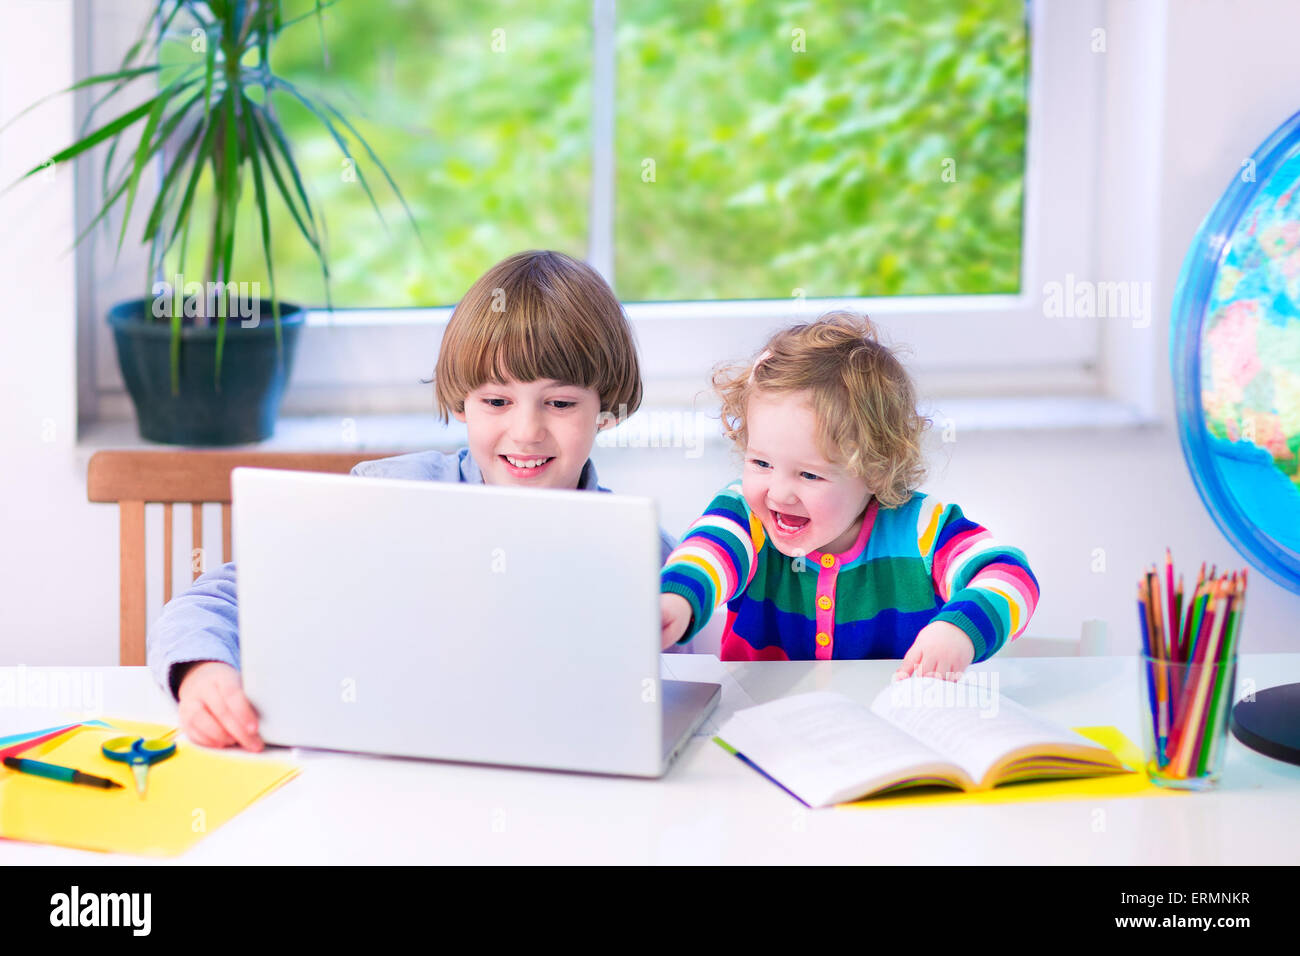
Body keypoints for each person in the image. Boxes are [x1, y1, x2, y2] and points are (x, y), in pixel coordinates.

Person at [150, 250, 677, 751]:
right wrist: (203, 671)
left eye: (560, 403)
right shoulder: (388, 500)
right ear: (463, 403)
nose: (526, 431)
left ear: (605, 408)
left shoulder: (643, 551)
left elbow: (687, 679)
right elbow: (217, 600)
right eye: (496, 400)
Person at [658, 311, 1040, 679]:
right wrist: (678, 598)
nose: (778, 492)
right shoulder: (746, 514)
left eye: (809, 474)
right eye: (760, 463)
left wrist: (959, 631)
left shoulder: (924, 529)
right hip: (760, 730)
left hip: (889, 731)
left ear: (875, 470)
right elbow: (708, 551)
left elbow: (1011, 577)